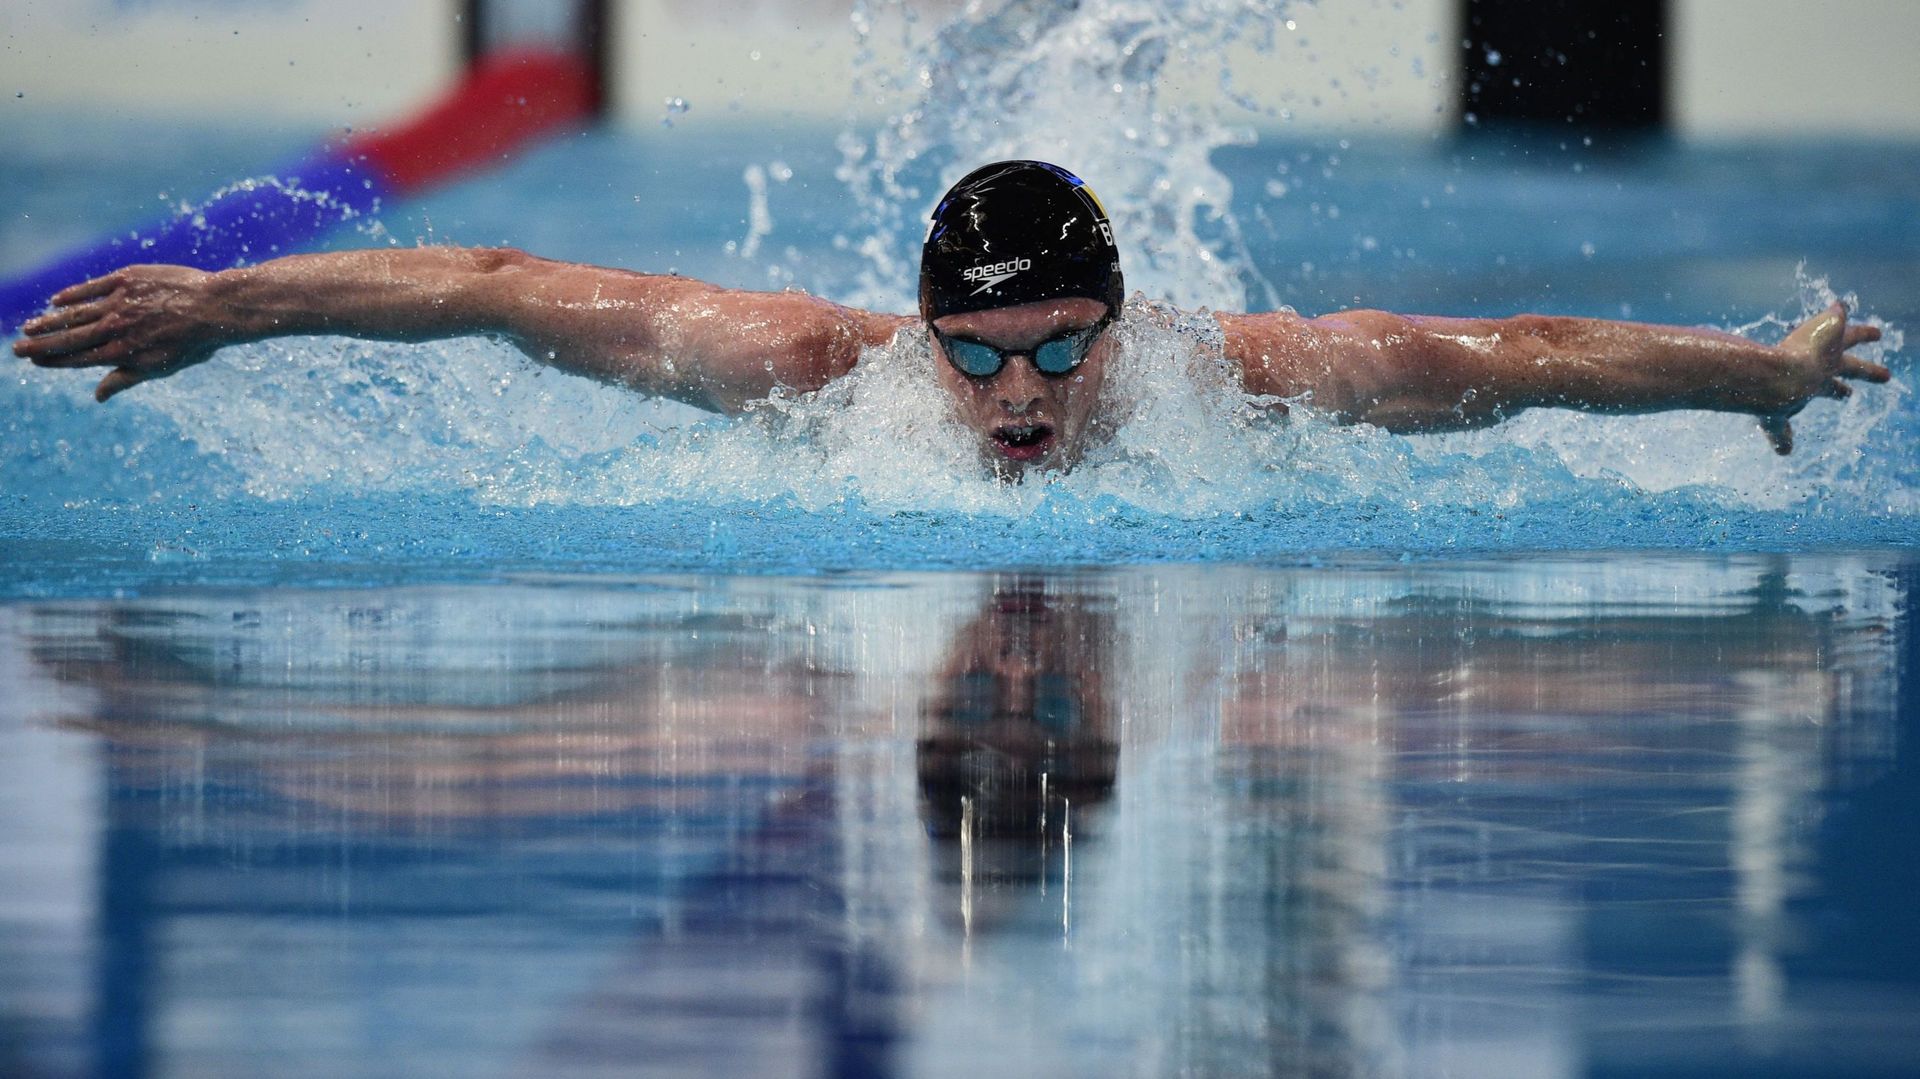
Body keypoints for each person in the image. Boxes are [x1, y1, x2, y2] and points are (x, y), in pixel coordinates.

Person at [10, 160, 1893, 477]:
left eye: (1067, 345)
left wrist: (1767, 377)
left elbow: (1529, 363)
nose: (1024, 395)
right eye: (982, 353)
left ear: (1125, 324)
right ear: (917, 340)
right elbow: (498, 288)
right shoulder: (813, 374)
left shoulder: (1221, 385)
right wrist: (235, 303)